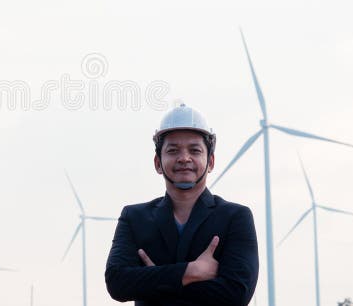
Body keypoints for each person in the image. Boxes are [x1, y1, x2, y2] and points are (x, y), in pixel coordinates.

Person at [105, 103, 258, 306]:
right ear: (158, 163)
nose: (184, 158)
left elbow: (237, 293)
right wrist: (191, 272)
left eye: (195, 150)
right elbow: (117, 283)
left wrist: (154, 280)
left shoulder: (235, 217)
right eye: (173, 150)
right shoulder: (134, 218)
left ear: (211, 162)